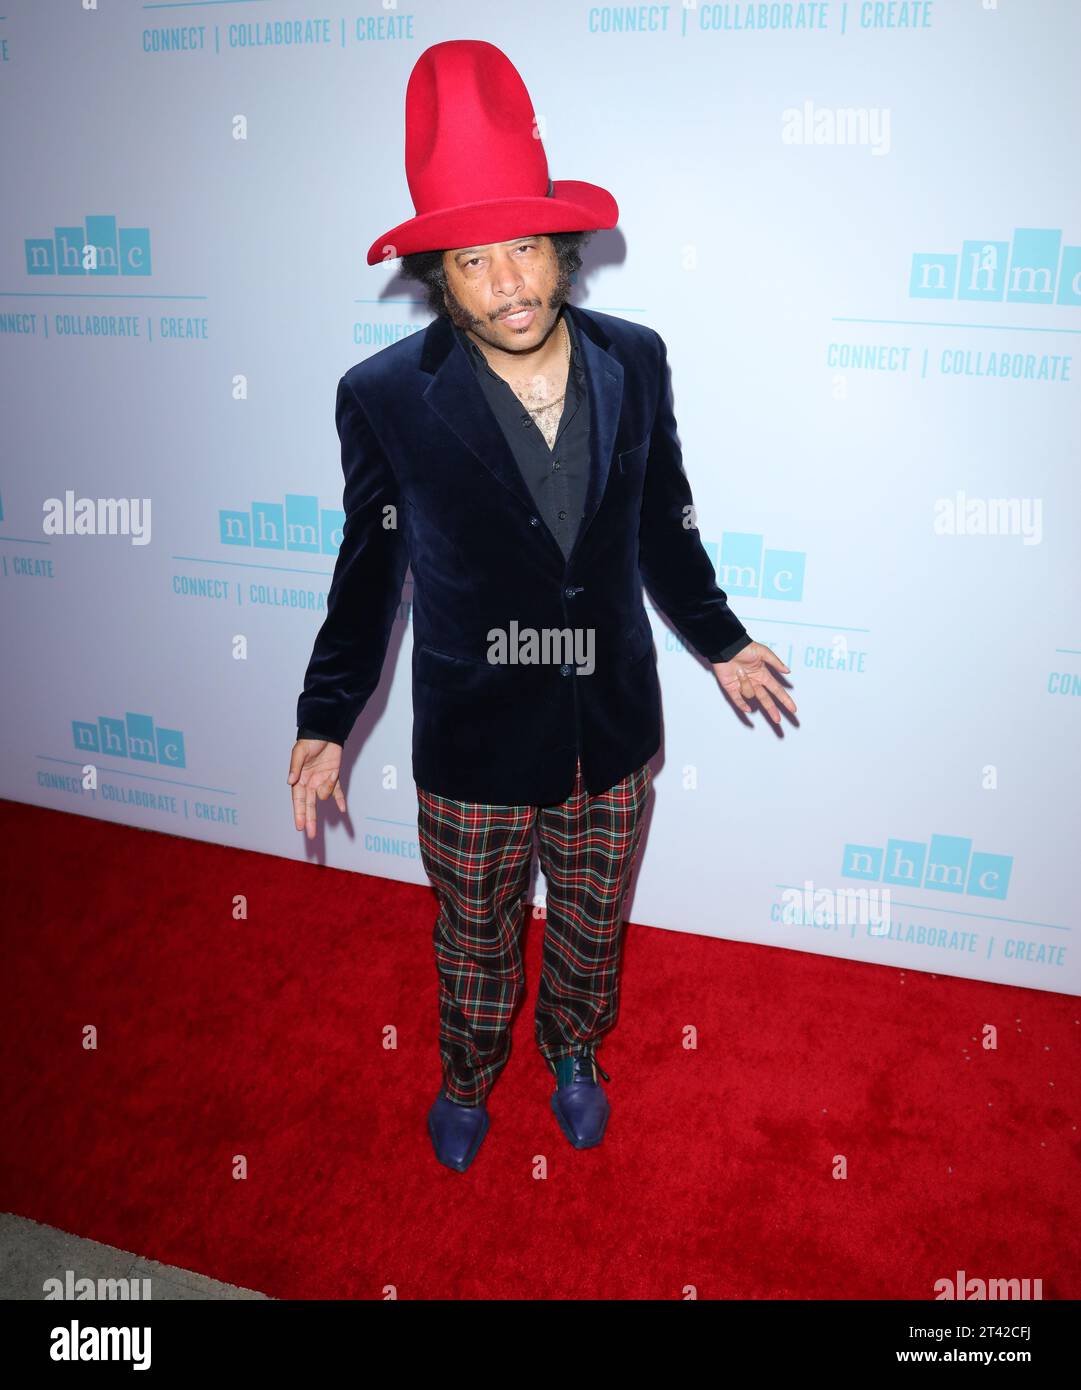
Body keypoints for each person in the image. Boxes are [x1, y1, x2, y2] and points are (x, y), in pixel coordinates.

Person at [287, 40, 795, 1173]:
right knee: (472, 934)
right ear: (438, 274)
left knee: (592, 920)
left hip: (609, 725)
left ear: (561, 249)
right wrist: (326, 717)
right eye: (475, 260)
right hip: (472, 735)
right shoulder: (383, 398)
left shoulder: (636, 358)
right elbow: (370, 566)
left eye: (527, 247)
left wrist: (719, 638)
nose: (509, 282)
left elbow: (663, 518)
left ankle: (575, 1051)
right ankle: (468, 1072)